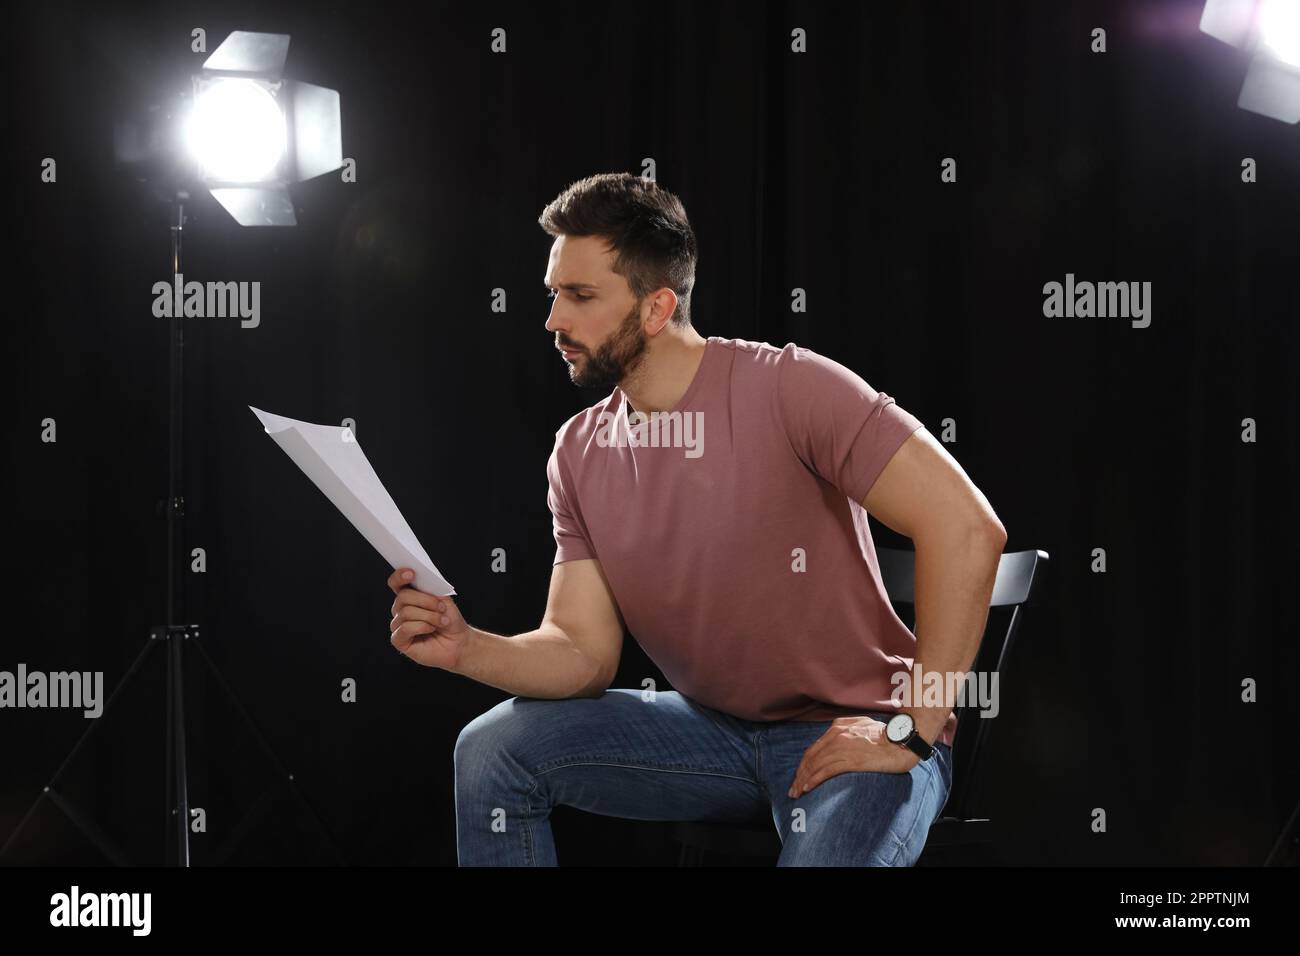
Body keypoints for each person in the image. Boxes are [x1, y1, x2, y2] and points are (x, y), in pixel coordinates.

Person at [387, 172, 1007, 866]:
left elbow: (966, 528)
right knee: (493, 749)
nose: (553, 319)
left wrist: (913, 728)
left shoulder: (790, 387)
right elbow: (583, 653)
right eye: (553, 293)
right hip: (708, 735)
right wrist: (467, 646)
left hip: (859, 730)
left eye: (580, 295)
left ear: (656, 308)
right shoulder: (579, 451)